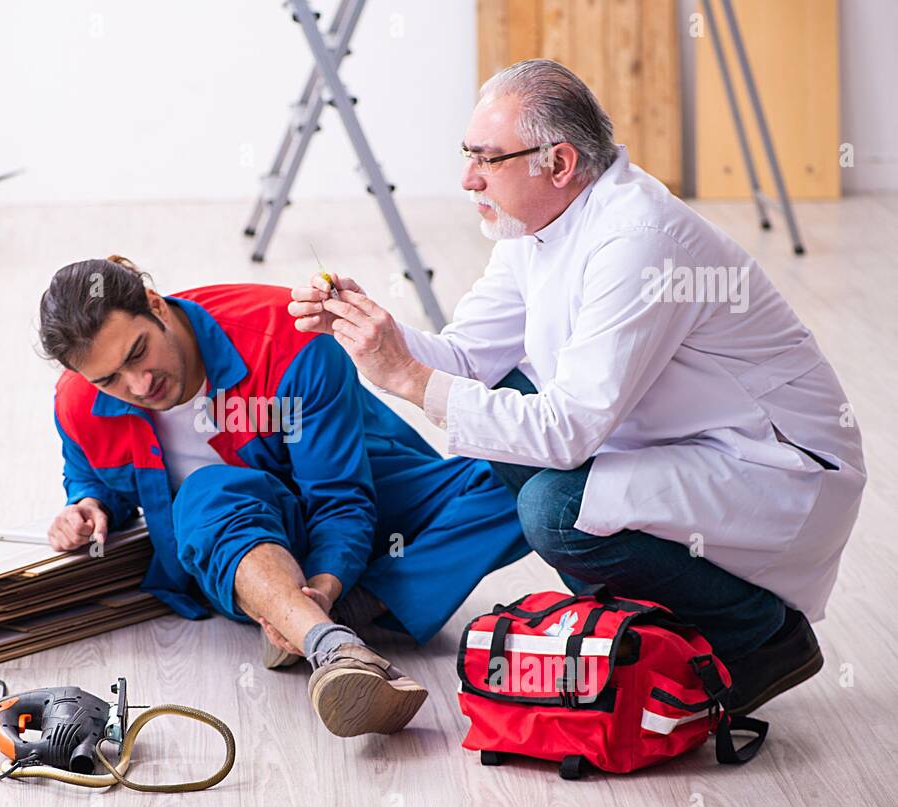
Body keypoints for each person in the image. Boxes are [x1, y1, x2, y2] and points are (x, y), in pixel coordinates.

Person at [290, 59, 866, 717]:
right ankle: (656, 640)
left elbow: (567, 431)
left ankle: (759, 635)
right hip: (682, 444)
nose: (467, 178)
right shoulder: (535, 224)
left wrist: (413, 378)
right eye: (467, 154)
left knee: (554, 509)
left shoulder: (639, 238)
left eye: (487, 159)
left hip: (777, 468)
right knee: (501, 414)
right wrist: (372, 332)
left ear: (559, 163)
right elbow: (468, 359)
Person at [39, 256, 529, 737]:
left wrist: (326, 584)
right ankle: (333, 647)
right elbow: (95, 478)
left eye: (138, 353)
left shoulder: (287, 336)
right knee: (207, 491)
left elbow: (341, 500)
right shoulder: (78, 401)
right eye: (109, 380)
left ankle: (332, 611)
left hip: (359, 497)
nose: (138, 384)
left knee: (528, 476)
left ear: (155, 304)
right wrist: (88, 505)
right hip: (242, 550)